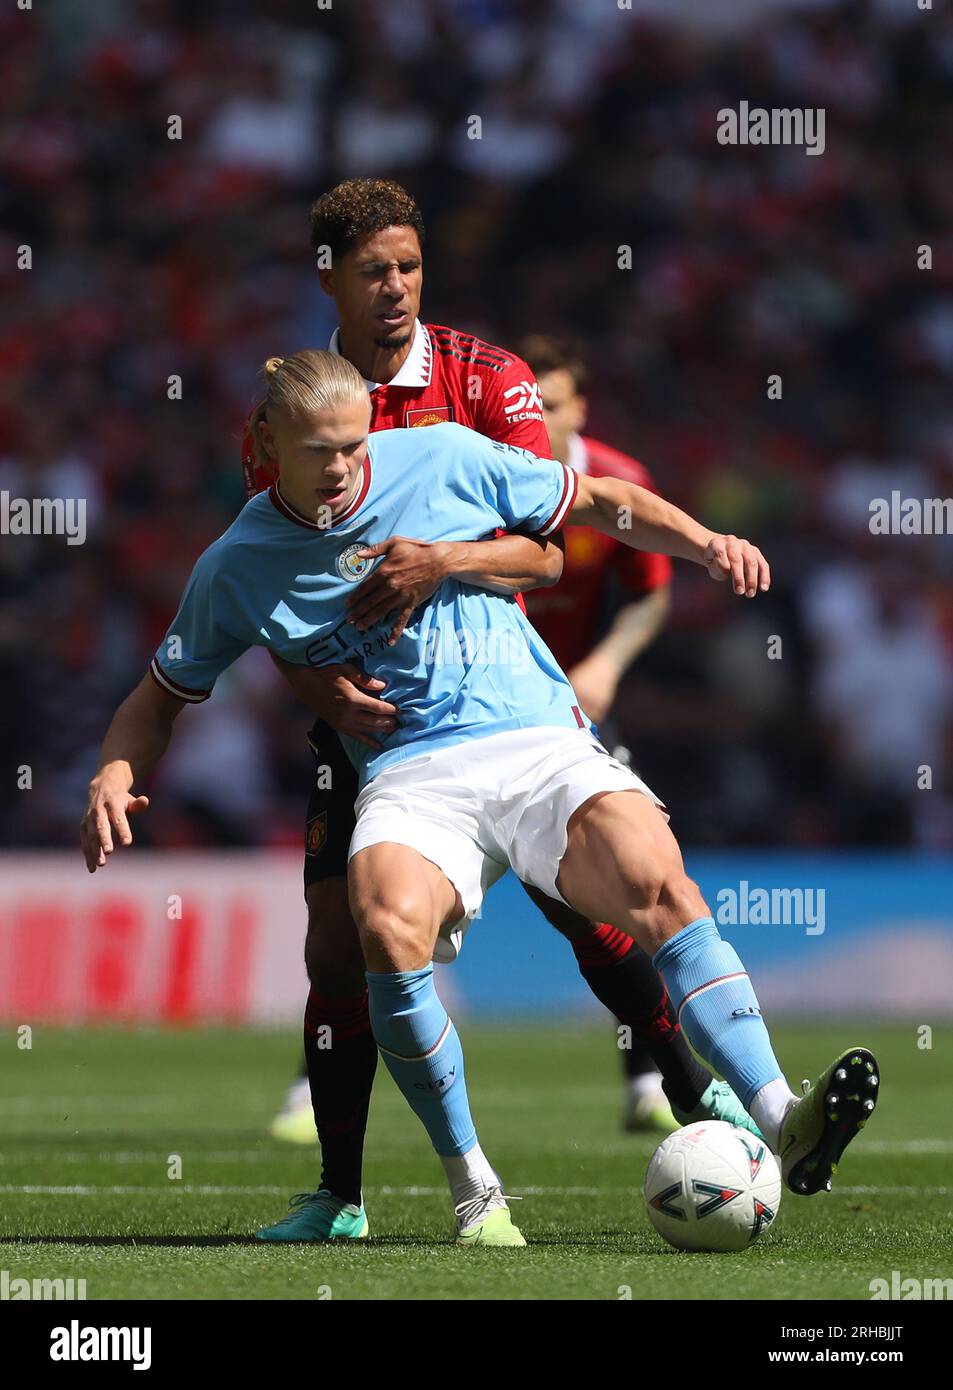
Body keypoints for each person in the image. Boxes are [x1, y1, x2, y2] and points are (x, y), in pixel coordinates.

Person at [81, 350, 880, 1246]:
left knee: (661, 887)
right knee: (383, 927)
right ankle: (475, 1194)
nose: (344, 467)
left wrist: (704, 543)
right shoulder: (238, 563)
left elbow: (596, 504)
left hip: (538, 738)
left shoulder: (442, 455)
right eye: (320, 451)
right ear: (269, 441)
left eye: (353, 445)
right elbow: (154, 698)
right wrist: (116, 771)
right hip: (414, 771)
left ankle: (782, 1117)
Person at [242, 179, 757, 1218]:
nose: (394, 288)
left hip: (502, 703)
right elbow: (266, 589)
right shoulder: (296, 408)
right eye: (374, 270)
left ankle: (696, 1086)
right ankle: (339, 1194)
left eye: (410, 267)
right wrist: (316, 687)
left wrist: (437, 561)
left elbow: (545, 552)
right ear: (328, 274)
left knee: (589, 905)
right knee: (338, 944)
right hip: (370, 722)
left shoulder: (483, 380)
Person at [520, 334, 676, 1132]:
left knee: (621, 877)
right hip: (483, 704)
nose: (534, 419)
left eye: (549, 405)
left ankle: (646, 1080)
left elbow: (652, 593)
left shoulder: (617, 485)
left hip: (576, 705)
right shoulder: (487, 473)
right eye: (524, 404)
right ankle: (315, 1087)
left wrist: (608, 661)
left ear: (579, 409)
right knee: (368, 895)